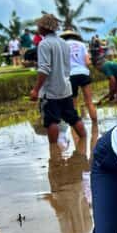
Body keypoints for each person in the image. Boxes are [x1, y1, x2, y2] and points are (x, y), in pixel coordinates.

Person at [30, 12, 87, 144]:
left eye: (39, 26)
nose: (37, 29)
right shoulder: (63, 43)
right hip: (65, 87)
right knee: (72, 116)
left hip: (51, 90)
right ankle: (84, 140)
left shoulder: (44, 44)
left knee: (51, 120)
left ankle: (54, 151)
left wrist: (36, 89)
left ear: (44, 28)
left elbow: (44, 69)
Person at [61, 29, 97, 122]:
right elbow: (88, 62)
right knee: (89, 102)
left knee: (73, 104)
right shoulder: (81, 45)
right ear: (75, 36)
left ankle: (76, 127)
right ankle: (95, 123)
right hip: (83, 73)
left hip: (70, 75)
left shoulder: (61, 46)